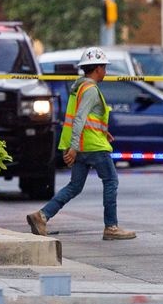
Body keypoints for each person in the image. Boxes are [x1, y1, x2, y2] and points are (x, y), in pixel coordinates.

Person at [27, 47, 133, 241]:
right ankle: (111, 226)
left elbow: (86, 119)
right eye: (104, 68)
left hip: (85, 143)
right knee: (111, 181)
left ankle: (42, 216)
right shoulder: (91, 90)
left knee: (74, 186)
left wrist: (101, 132)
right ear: (97, 69)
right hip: (92, 147)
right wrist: (74, 147)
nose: (105, 72)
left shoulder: (79, 87)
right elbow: (79, 119)